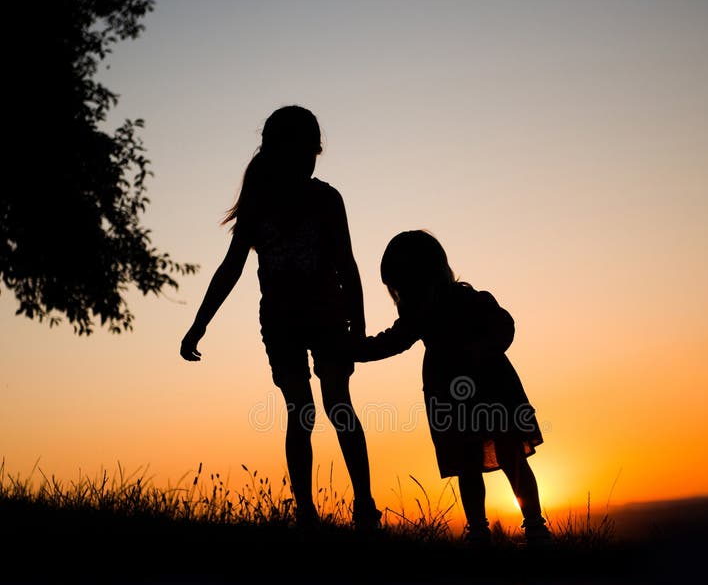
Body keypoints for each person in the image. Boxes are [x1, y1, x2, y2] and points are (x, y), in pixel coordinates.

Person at [180, 105, 381, 532]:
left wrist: (358, 329)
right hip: (281, 322)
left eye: (314, 152)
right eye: (305, 150)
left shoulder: (326, 199)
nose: (310, 159)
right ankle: (306, 512)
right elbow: (230, 267)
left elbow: (347, 264)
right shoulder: (258, 206)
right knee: (302, 411)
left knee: (336, 405)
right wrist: (199, 324)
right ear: (280, 152)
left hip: (327, 315)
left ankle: (364, 507)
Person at [354, 230, 551, 546]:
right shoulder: (420, 317)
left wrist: (483, 349)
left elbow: (504, 325)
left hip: (491, 389)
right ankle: (478, 530)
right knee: (468, 463)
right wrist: (353, 350)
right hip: (453, 398)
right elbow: (390, 342)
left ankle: (533, 524)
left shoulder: (470, 300)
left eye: (404, 286)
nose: (401, 295)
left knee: (510, 454)